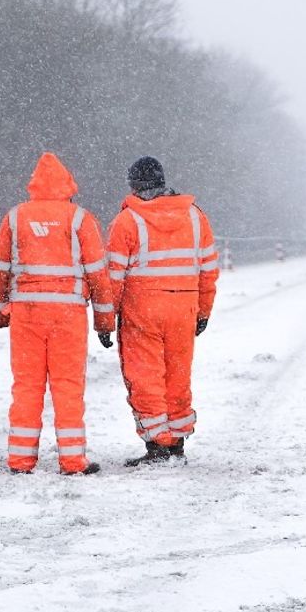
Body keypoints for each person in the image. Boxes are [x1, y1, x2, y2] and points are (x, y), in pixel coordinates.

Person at [0, 153, 114, 475]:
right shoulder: (80, 219)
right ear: (68, 186)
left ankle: (20, 460)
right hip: (68, 315)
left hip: (26, 315)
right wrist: (104, 321)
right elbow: (98, 273)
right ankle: (73, 461)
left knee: (26, 386)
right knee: (68, 386)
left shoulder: (15, 218)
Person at [107, 156, 218, 466]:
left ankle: (157, 445)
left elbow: (114, 276)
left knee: (145, 375)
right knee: (178, 374)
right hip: (184, 307)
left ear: (133, 185)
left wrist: (105, 319)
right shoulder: (196, 217)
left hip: (142, 309)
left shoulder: (127, 221)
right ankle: (178, 442)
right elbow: (208, 268)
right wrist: (204, 309)